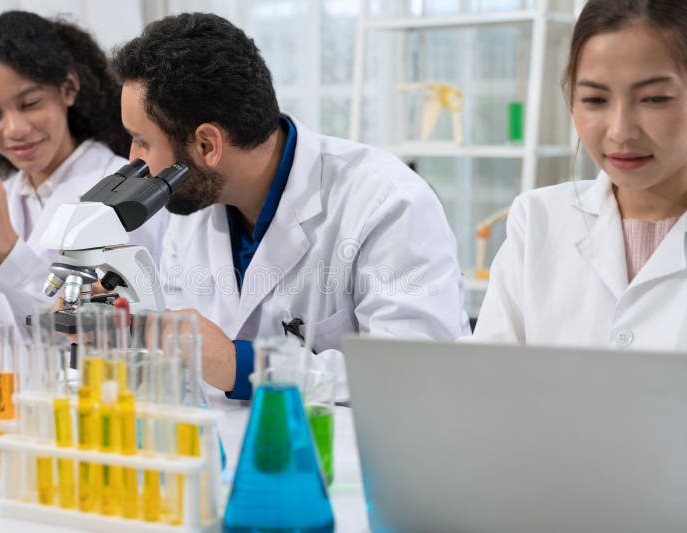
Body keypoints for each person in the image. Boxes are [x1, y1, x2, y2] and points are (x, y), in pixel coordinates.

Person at [112, 13, 470, 401]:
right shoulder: (194, 206)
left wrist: (245, 365)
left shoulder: (387, 201)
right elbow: (181, 354)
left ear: (207, 145)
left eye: (141, 141)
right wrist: (129, 323)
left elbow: (415, 374)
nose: (135, 161)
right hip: (226, 449)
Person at [474, 0, 687, 349]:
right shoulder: (538, 219)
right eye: (595, 100)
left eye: (653, 98)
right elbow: (482, 382)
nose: (621, 131)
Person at [0, 10, 169, 332]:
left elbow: (95, 331)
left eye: (30, 103)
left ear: (68, 89)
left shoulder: (126, 193)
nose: (15, 129)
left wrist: (6, 248)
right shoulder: (7, 193)